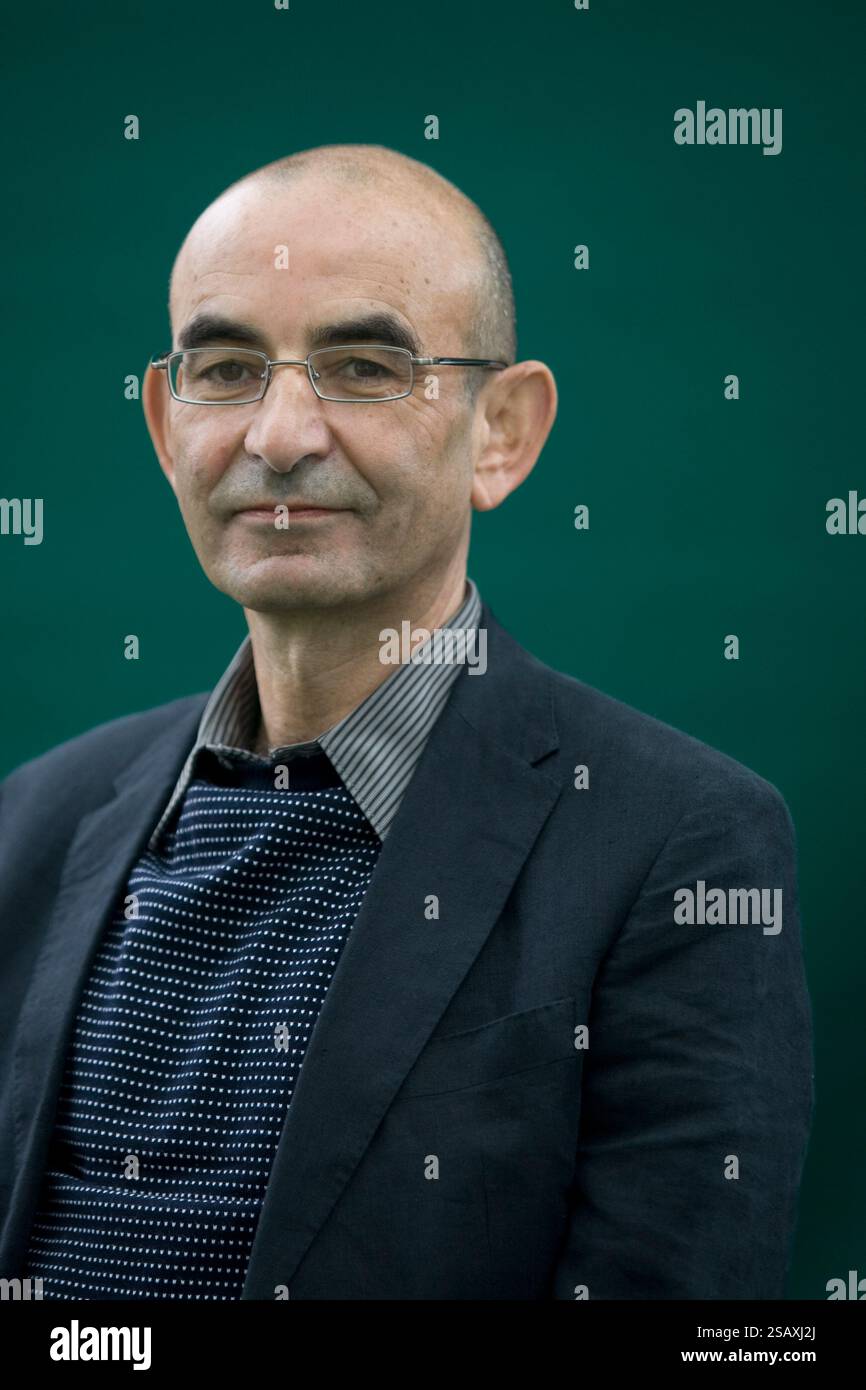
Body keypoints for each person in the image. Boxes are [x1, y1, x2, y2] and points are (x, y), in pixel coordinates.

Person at [0, 143, 813, 1300]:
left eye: (363, 366)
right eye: (225, 370)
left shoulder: (676, 841)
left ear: (502, 432)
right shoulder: (33, 820)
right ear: (164, 426)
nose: (278, 435)